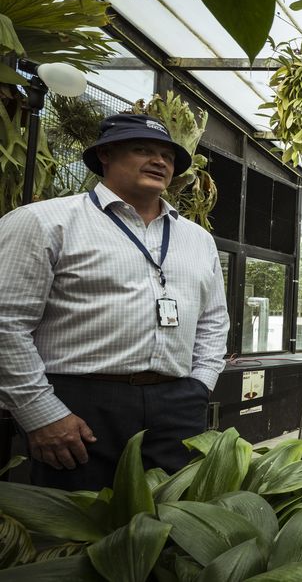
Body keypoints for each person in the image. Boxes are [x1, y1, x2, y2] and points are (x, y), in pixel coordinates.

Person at [0, 113, 229, 491]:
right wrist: (40, 414)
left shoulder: (197, 239)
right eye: (142, 149)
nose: (159, 161)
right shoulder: (44, 222)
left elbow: (213, 320)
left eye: (167, 155)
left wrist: (200, 386)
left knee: (171, 525)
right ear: (105, 155)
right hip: (79, 403)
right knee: (78, 528)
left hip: (177, 401)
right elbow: (7, 322)